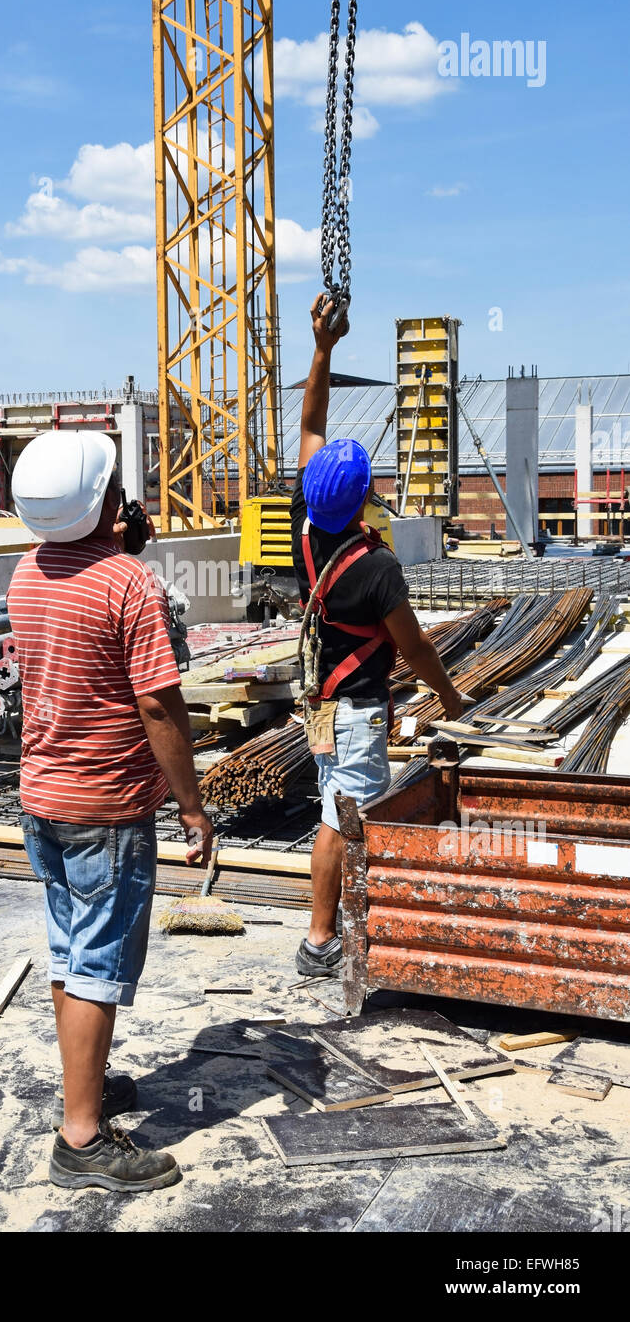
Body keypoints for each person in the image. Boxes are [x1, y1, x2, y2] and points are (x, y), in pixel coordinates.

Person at [7, 430, 214, 1192]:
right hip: (106, 808)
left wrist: (115, 544)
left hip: (46, 802)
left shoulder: (24, 575)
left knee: (70, 952)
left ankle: (83, 1093)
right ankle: (83, 1140)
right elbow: (158, 705)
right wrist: (191, 806)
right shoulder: (129, 584)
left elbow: (76, 591)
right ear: (105, 504)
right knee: (97, 965)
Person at [291, 294, 464, 978]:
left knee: (333, 801)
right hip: (357, 709)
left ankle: (327, 925)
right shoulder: (377, 567)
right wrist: (448, 696)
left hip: (322, 706)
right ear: (365, 497)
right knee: (343, 815)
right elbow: (416, 648)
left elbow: (309, 421)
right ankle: (322, 939)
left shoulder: (309, 531)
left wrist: (323, 348)